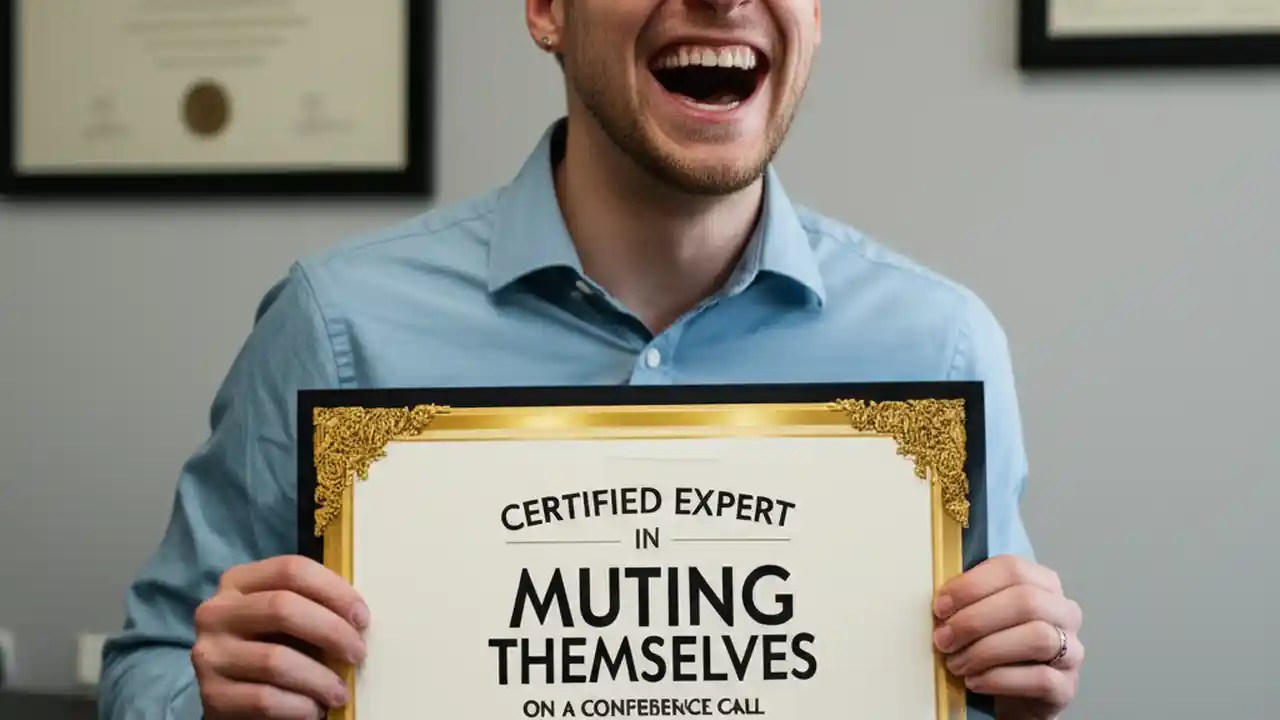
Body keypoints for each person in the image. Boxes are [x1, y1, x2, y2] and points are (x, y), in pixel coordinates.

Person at [99, 1, 1084, 718]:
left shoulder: (937, 346)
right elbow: (146, 673)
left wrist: (1022, 683)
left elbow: (968, 692)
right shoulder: (337, 324)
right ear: (545, 10)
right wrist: (211, 698)